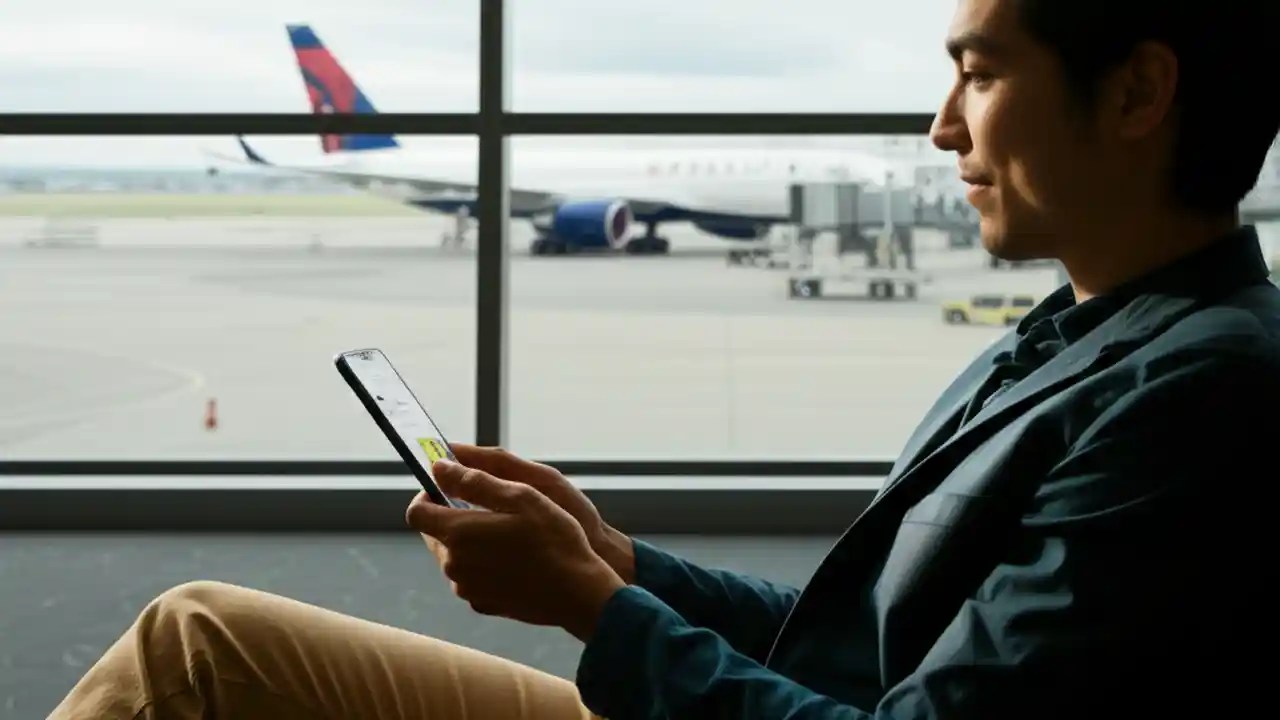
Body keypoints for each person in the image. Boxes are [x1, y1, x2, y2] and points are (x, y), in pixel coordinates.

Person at [50, 0, 1280, 717]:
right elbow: (841, 635)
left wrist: (591, 606)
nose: (940, 123)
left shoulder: (1200, 394)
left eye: (978, 71)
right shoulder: (1087, 336)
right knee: (200, 632)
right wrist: (617, 557)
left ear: (1134, 96)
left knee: (193, 646)